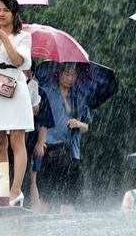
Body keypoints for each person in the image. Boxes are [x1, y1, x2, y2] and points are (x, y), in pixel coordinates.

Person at [0, 0, 34, 207]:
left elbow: (19, 61)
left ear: (14, 14)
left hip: (15, 86)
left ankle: (16, 190)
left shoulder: (23, 36)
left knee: (16, 141)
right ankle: (1, 191)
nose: (0, 14)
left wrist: (3, 37)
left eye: (4, 10)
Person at [36, 63, 91, 214]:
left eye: (73, 75)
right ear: (59, 74)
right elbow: (37, 116)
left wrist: (78, 123)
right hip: (49, 149)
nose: (70, 78)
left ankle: (67, 228)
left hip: (71, 152)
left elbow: (87, 126)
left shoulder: (79, 98)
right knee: (45, 195)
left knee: (69, 196)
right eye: (66, 74)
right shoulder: (47, 93)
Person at [22, 61, 44, 210]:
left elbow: (42, 119)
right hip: (9, 136)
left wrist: (40, 142)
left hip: (30, 139)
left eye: (26, 71)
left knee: (32, 176)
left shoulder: (36, 88)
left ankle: (32, 209)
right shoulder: (5, 81)